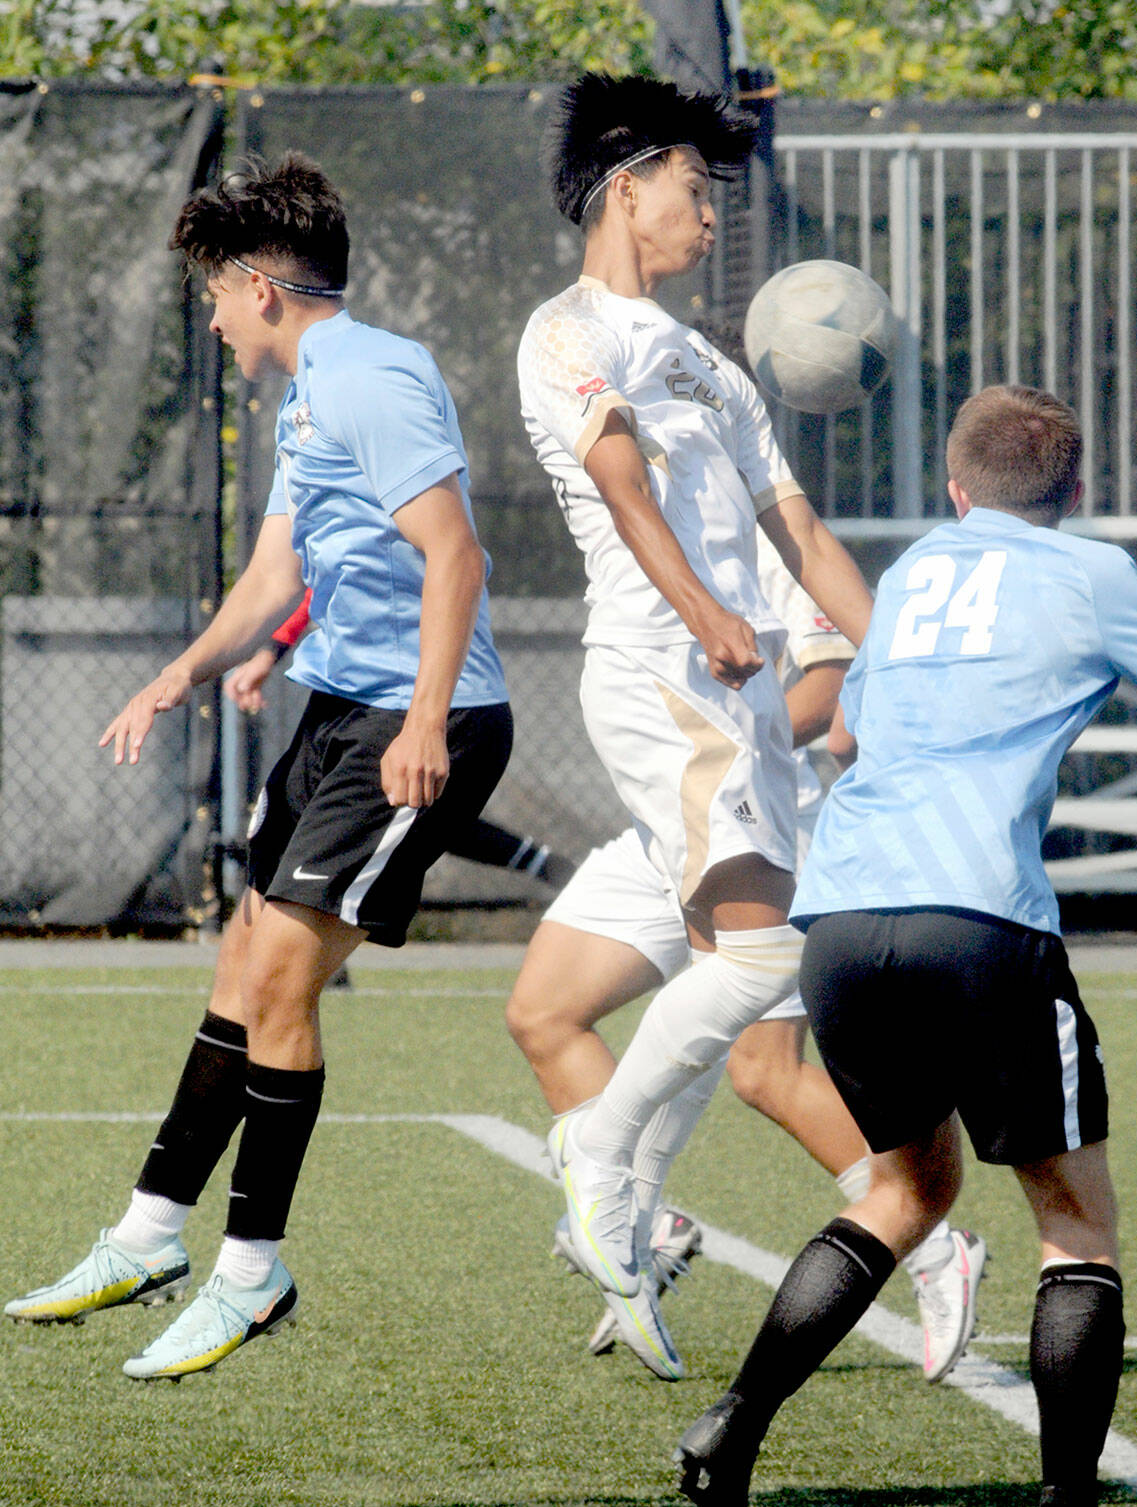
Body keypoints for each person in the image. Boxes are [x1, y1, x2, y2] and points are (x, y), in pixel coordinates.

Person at [674, 384, 1137, 1507]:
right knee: (1074, 1220)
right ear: (1075, 490)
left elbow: (847, 731)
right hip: (981, 918)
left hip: (843, 922)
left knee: (905, 1188)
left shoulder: (907, 574)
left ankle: (731, 1422)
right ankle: (1064, 1496)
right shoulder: (1088, 572)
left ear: (956, 487)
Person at [5, 154, 513, 1381]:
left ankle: (251, 1271)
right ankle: (146, 1234)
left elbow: (454, 557)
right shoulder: (306, 394)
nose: (213, 316)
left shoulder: (370, 375)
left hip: (413, 721)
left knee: (280, 984)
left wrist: (425, 722)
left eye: (215, 296)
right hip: (341, 711)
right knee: (243, 963)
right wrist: (181, 669)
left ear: (259, 286)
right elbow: (275, 579)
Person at [516, 70, 874, 1306]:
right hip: (662, 676)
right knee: (768, 964)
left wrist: (900, 666)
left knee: (747, 969)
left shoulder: (713, 367)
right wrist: (706, 611)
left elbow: (804, 535)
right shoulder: (567, 332)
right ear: (626, 190)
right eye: (690, 187)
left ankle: (616, 1173)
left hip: (741, 706)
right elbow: (620, 480)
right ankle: (605, 1155)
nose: (710, 217)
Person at [506, 528, 985, 1382]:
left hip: (761, 826)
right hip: (666, 826)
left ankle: (933, 1245)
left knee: (765, 1070)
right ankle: (648, 1227)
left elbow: (831, 688)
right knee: (544, 1012)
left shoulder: (768, 533)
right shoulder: (643, 533)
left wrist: (724, 744)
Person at [225, 592, 575, 889]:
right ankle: (544, 864)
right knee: (303, 837)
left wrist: (428, 724)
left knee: (414, 805)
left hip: (402, 698)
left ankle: (548, 866)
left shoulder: (419, 527)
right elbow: (304, 581)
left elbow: (457, 564)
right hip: (347, 696)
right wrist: (267, 651)